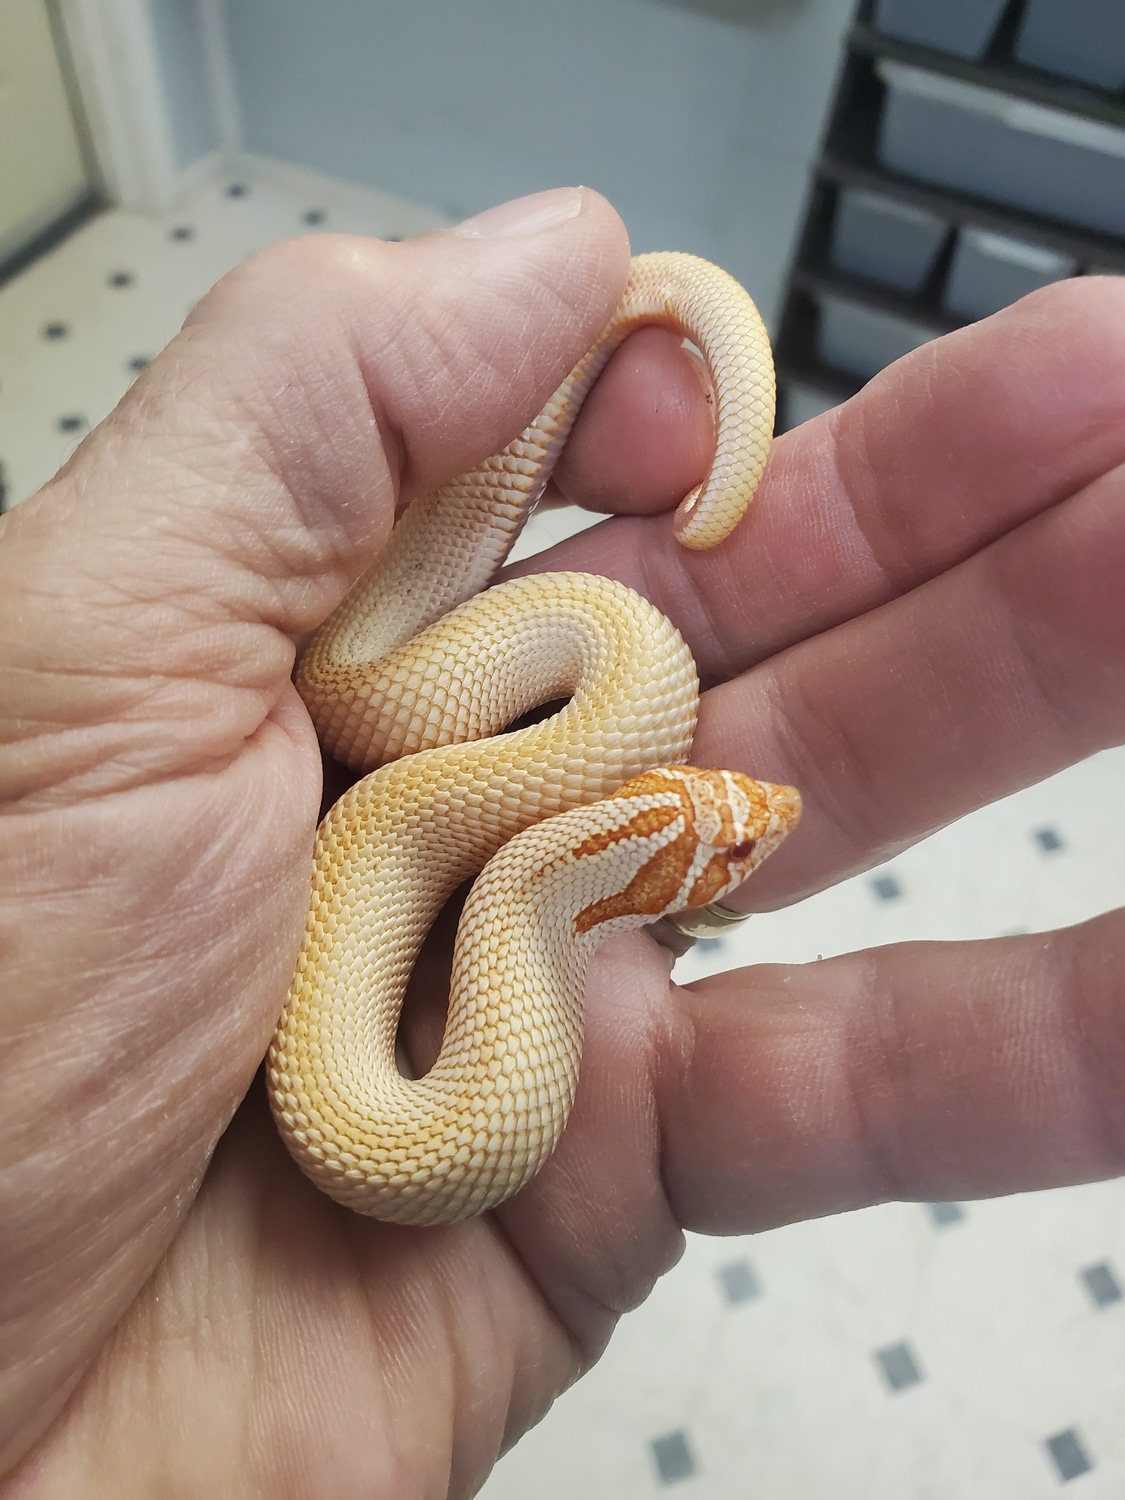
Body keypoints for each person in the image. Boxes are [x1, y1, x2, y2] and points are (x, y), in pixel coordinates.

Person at [1, 186, 1122, 1496]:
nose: (754, 814)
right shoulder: (521, 853)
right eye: (722, 846)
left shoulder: (522, 858)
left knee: (427, 685)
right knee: (427, 681)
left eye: (717, 840)